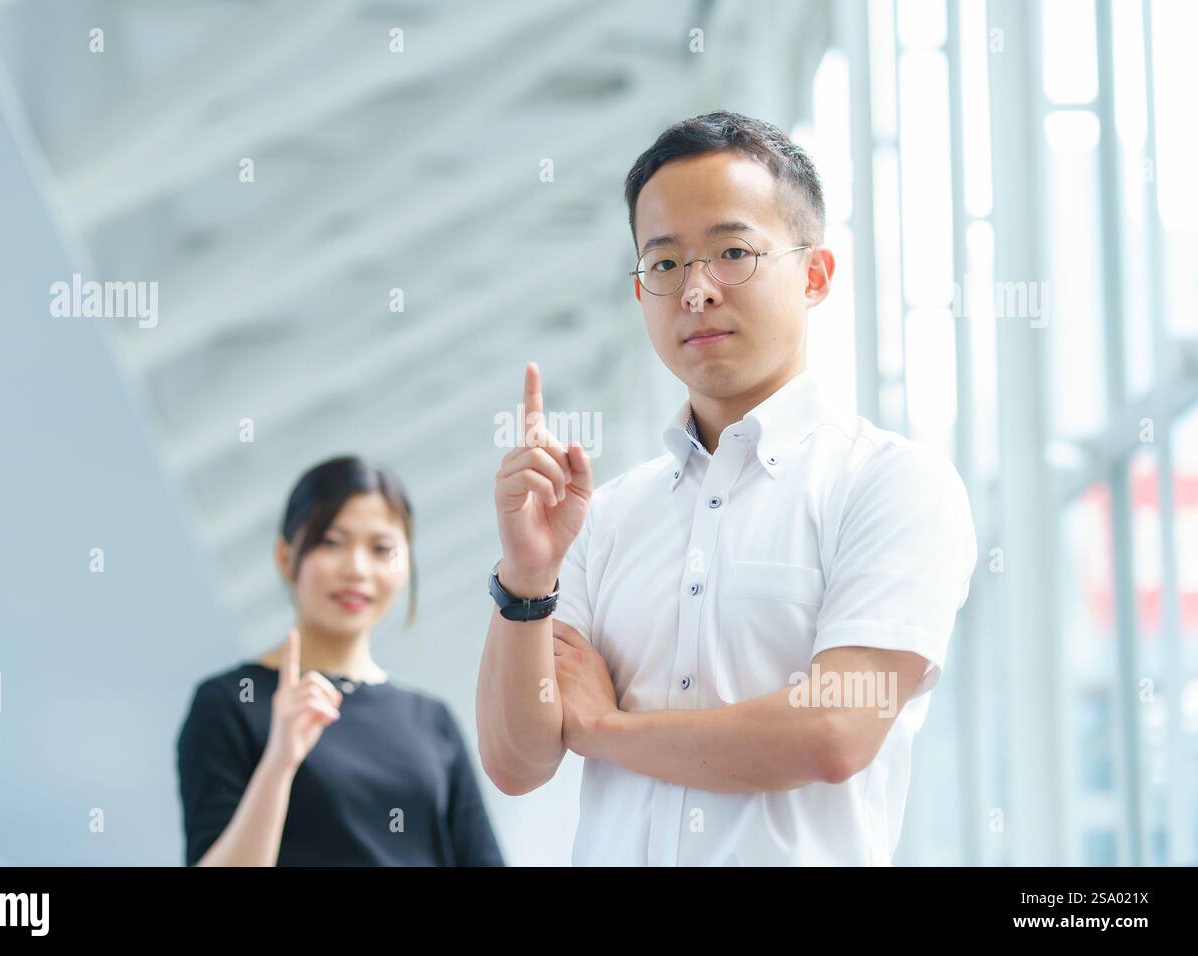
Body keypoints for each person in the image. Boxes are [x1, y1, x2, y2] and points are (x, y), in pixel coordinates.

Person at [476, 111, 978, 865]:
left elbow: (834, 730)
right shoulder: (601, 517)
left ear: (814, 275)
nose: (696, 291)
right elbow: (520, 762)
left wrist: (610, 731)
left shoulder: (892, 485)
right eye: (665, 264)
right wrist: (525, 578)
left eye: (732, 252)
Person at [178, 456, 504, 866]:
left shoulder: (431, 722)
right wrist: (280, 762)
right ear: (285, 557)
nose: (356, 568)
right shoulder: (230, 704)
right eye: (331, 542)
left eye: (382, 549)